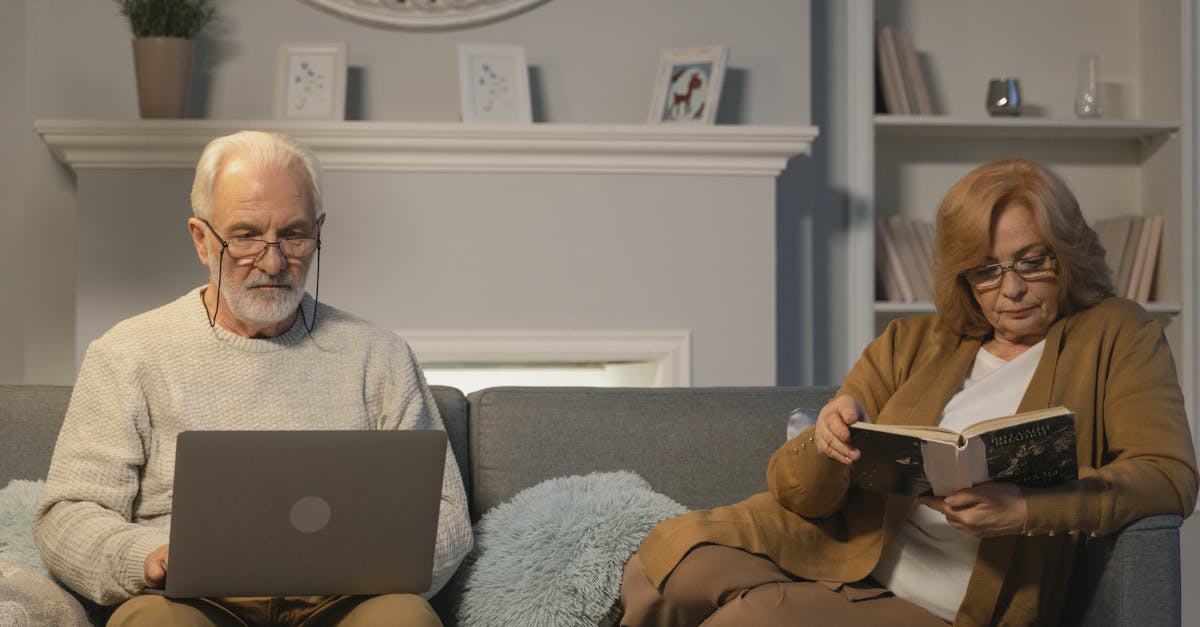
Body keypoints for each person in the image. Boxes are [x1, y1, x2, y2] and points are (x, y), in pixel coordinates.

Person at [618, 158, 1199, 626]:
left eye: (1032, 260)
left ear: (1066, 253)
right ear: (963, 279)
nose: (1013, 289)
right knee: (662, 569)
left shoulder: (1117, 332)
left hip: (950, 602)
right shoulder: (912, 341)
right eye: (987, 271)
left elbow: (1169, 475)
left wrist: (1024, 511)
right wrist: (827, 439)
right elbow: (800, 496)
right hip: (848, 549)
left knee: (745, 622)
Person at [33, 130, 472, 626]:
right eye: (244, 236)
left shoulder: (380, 354)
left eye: (294, 234)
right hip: (186, 597)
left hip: (348, 596)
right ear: (202, 239)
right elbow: (67, 513)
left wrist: (372, 564)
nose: (272, 261)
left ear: (319, 230)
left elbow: (447, 512)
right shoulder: (127, 353)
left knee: (406, 620)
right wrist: (148, 557)